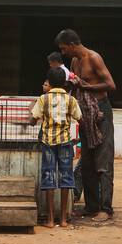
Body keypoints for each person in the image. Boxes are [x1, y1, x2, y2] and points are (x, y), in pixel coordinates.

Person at [56, 28, 116, 222]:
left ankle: (106, 208)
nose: (63, 53)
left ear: (73, 45)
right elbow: (74, 85)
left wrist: (88, 87)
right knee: (87, 161)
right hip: (84, 112)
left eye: (64, 49)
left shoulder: (94, 58)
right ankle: (91, 206)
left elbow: (110, 85)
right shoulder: (74, 61)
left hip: (100, 111)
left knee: (103, 161)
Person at [33, 65, 82, 229]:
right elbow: (79, 117)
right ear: (64, 82)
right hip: (65, 142)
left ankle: (50, 219)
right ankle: (63, 219)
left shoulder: (43, 99)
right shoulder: (71, 100)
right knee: (66, 178)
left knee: (49, 177)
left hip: (48, 142)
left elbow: (34, 118)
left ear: (50, 83)